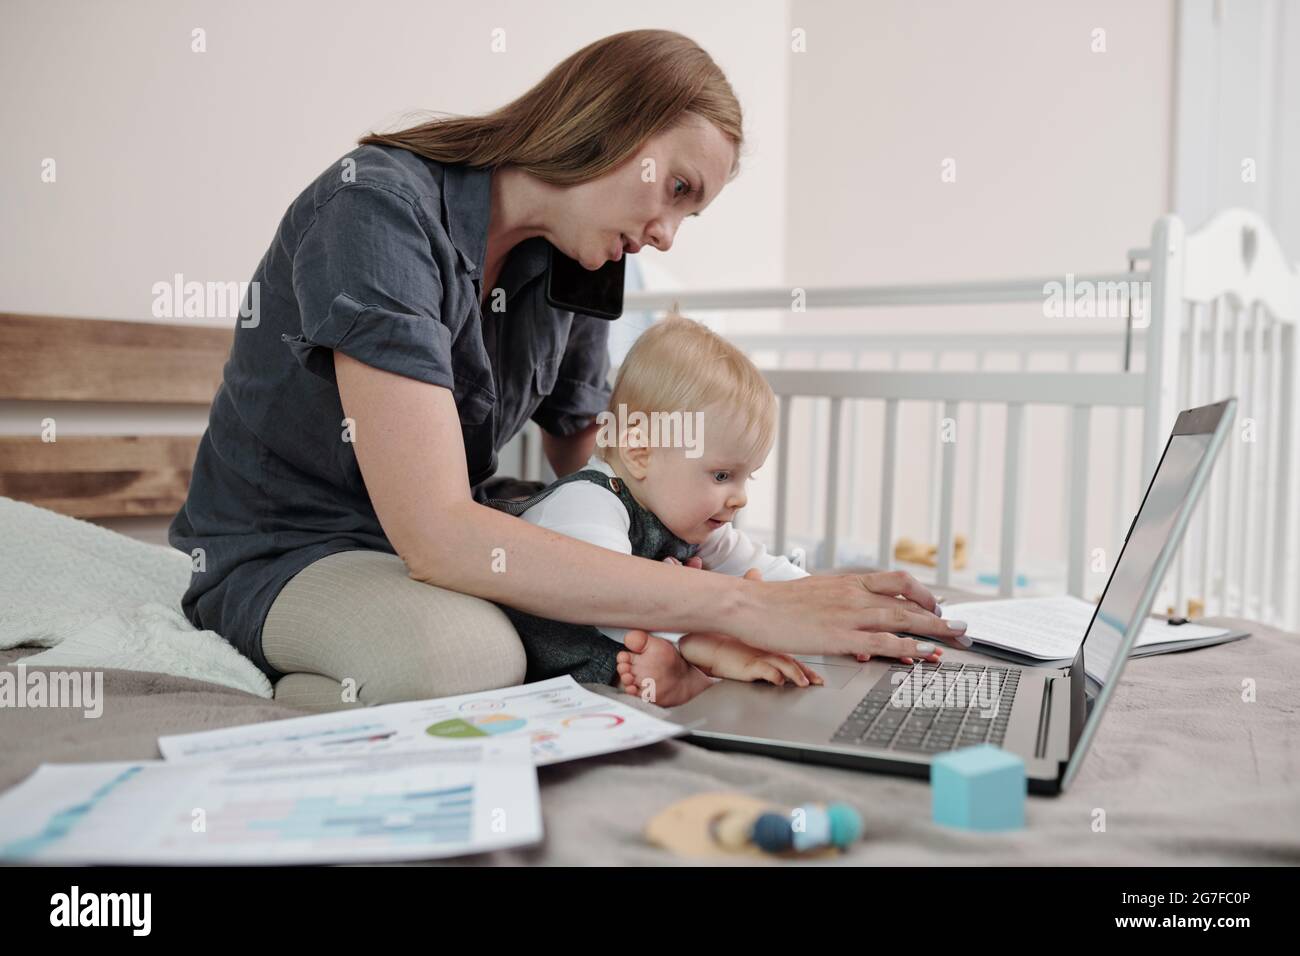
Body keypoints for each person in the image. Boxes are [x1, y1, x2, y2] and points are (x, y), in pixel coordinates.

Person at [168, 29, 969, 712]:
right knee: (468, 660)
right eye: (677, 189)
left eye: (692, 212)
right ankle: (281, 697)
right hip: (291, 552)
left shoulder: (577, 270)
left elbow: (602, 472)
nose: (667, 236)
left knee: (595, 594)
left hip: (442, 550)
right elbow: (440, 536)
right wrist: (745, 604)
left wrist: (742, 569)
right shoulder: (375, 212)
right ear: (610, 124)